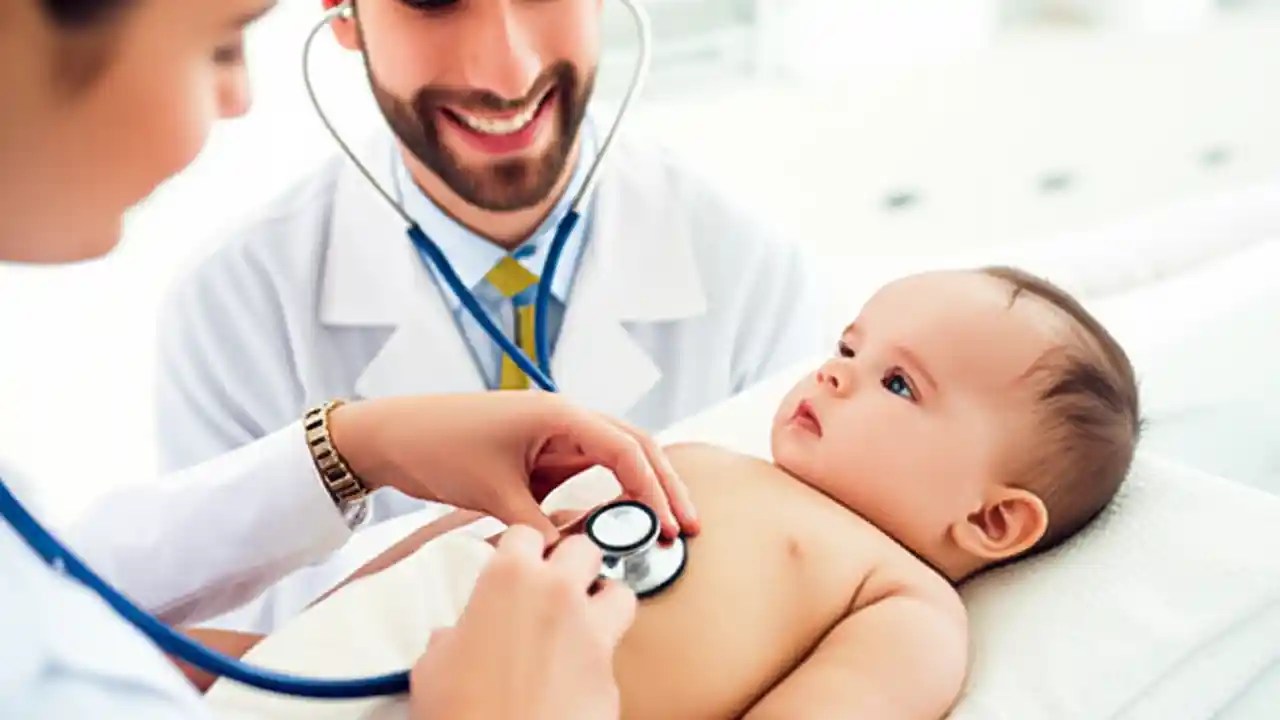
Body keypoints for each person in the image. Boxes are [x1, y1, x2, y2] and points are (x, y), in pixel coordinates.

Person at [0, 0, 697, 715]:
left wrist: (350, 447)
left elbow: (62, 591)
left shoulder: (742, 255)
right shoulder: (233, 297)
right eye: (223, 45)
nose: (508, 71)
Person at [152, 0, 829, 632]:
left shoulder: (754, 271)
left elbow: (796, 596)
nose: (510, 75)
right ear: (342, 12)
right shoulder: (233, 313)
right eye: (434, 0)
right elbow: (241, 648)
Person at [203, 266, 1143, 719]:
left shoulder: (902, 603)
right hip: (335, 663)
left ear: (992, 519)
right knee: (149, 653)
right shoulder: (705, 460)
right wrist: (274, 648)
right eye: (848, 348)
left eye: (899, 384)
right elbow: (466, 544)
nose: (835, 375)